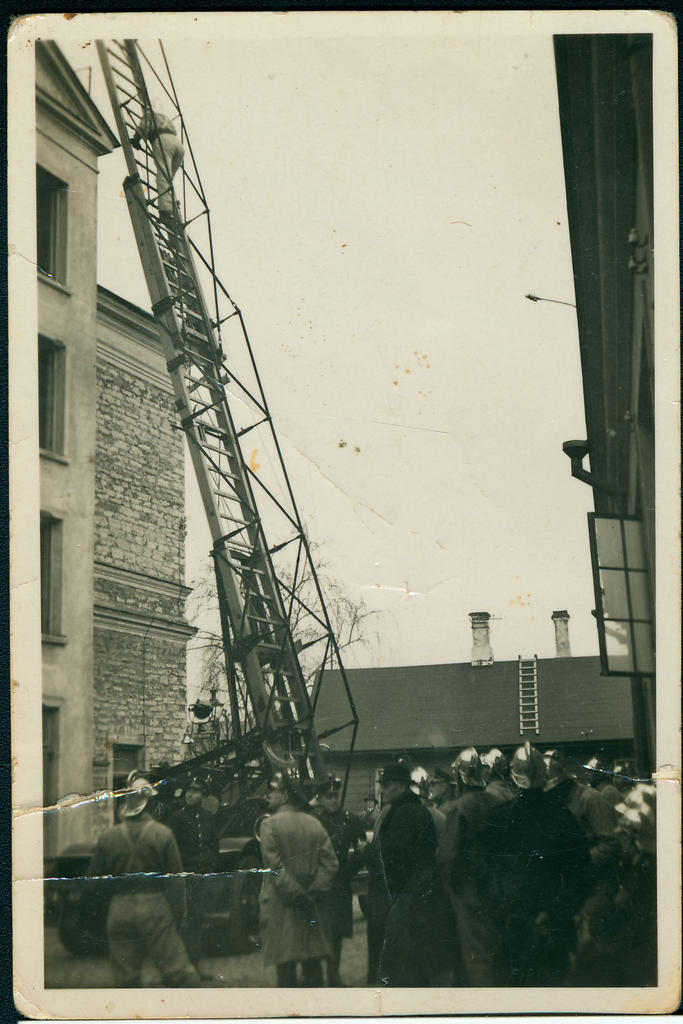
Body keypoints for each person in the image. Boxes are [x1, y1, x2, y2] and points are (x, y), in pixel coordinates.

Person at [485, 742, 592, 986]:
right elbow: (581, 874)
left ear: (513, 776)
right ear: (545, 776)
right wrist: (557, 912)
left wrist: (499, 911)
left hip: (510, 922)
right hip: (553, 923)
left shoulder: (496, 817)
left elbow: (483, 871)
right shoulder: (563, 817)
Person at [87, 773, 199, 987]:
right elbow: (176, 881)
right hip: (154, 906)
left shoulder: (108, 838)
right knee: (180, 974)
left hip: (119, 908)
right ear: (149, 803)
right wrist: (178, 916)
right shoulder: (163, 834)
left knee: (125, 980)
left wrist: (111, 905)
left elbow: (94, 882)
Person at [368, 762, 447, 986]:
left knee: (406, 965)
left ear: (401, 786)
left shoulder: (404, 814)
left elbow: (396, 857)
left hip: (408, 896)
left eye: (387, 785)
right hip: (417, 894)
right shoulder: (410, 810)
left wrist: (369, 853)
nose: (382, 790)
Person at [258, 771, 339, 987]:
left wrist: (297, 894)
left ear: (285, 795)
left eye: (272, 791)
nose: (268, 796)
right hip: (313, 906)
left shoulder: (269, 825)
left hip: (283, 906)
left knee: (286, 971)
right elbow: (331, 864)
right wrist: (313, 891)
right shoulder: (315, 824)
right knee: (312, 965)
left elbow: (275, 867)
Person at [437, 747, 502, 986]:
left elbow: (448, 857)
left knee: (475, 955)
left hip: (468, 890)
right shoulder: (496, 802)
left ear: (459, 775)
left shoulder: (459, 807)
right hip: (496, 887)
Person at [312, 773, 366, 985]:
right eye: (329, 796)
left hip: (340, 882)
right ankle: (316, 974)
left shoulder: (350, 820)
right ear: (321, 798)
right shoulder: (315, 821)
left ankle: (333, 973)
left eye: (336, 795)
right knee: (319, 930)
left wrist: (348, 871)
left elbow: (362, 848)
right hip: (319, 883)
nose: (333, 800)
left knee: (337, 931)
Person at [167, 777, 219, 978]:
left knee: (197, 920)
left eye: (195, 792)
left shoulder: (208, 817)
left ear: (202, 796)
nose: (190, 795)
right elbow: (171, 849)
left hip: (201, 877)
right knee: (180, 921)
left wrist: (210, 866)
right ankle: (177, 969)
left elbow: (213, 845)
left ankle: (194, 967)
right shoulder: (177, 818)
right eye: (188, 791)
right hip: (183, 878)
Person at [131, 99, 185, 230]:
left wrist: (136, 139)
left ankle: (165, 211)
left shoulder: (149, 114)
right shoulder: (164, 117)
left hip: (163, 141)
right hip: (178, 144)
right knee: (168, 178)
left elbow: (144, 126)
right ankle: (171, 203)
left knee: (163, 176)